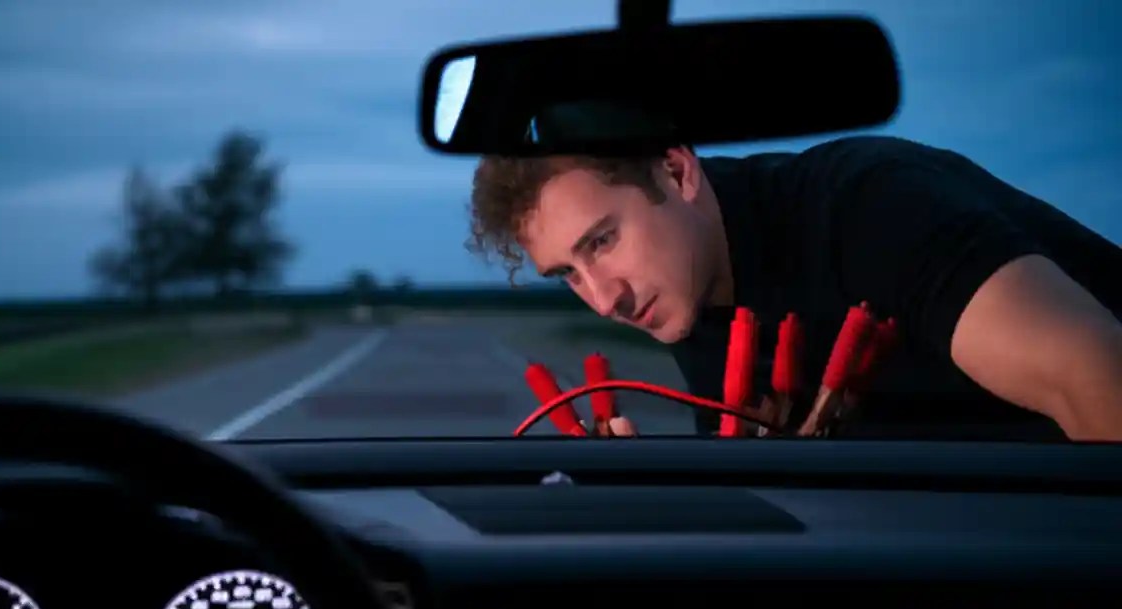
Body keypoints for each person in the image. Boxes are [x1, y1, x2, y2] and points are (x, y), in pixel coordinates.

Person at [466, 135, 1122, 441]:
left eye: (602, 242)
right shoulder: (691, 294)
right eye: (568, 276)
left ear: (675, 170)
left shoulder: (868, 206)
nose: (604, 299)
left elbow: (1096, 374)